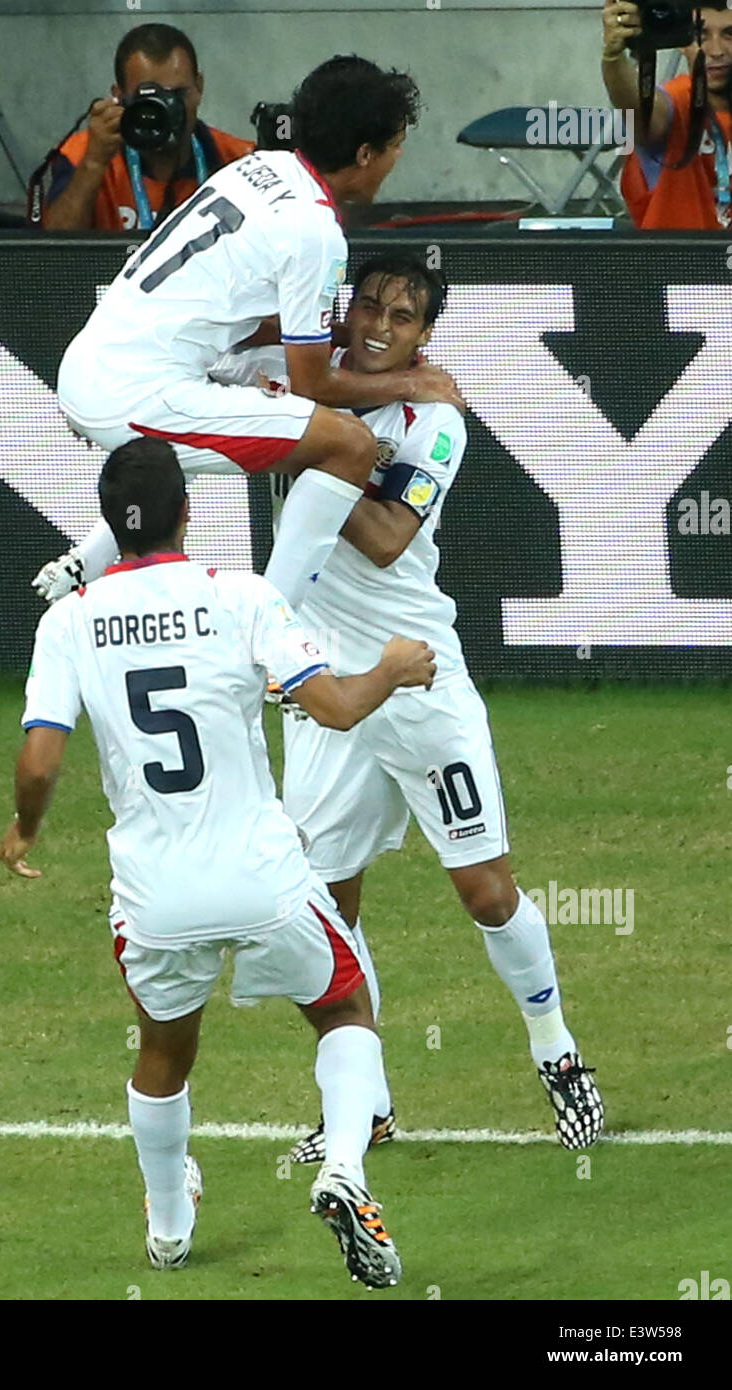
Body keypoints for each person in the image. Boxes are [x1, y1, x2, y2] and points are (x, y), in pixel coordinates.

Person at [0, 437, 436, 1287]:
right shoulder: (240, 597)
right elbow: (339, 709)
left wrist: (24, 830)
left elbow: (42, 762)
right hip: (263, 879)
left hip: (156, 895)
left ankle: (168, 1230)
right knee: (344, 1010)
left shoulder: (69, 621)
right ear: (187, 513)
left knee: (165, 1051)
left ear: (109, 526)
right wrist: (389, 667)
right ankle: (344, 1169)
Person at [216, 253, 605, 1159]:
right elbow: (203, 360)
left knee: (484, 889)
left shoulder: (433, 418)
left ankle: (557, 1050)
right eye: (370, 308)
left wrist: (310, 441)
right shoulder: (296, 382)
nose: (382, 326)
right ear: (345, 314)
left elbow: (390, 538)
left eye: (404, 316)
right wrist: (285, 395)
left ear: (426, 336)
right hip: (323, 685)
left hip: (416, 672)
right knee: (325, 904)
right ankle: (367, 1106)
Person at [33, 55, 462, 616]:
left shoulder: (255, 170)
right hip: (132, 391)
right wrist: (410, 383)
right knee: (347, 443)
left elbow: (238, 317)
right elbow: (313, 385)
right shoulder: (314, 229)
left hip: (95, 364)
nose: (398, 156)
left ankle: (83, 562)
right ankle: (275, 624)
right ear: (364, 154)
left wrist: (327, 337)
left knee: (226, 425)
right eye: (396, 144)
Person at [42, 23, 254, 233]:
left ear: (198, 88)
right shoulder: (81, 154)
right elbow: (55, 252)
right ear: (120, 96)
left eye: (178, 95)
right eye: (151, 98)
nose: (168, 110)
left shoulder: (240, 160)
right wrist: (94, 163)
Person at [602, 2, 732, 228]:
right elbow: (638, 109)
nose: (716, 50)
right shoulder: (674, 103)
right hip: (682, 260)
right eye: (700, 35)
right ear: (681, 41)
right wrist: (614, 57)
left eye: (730, 35)